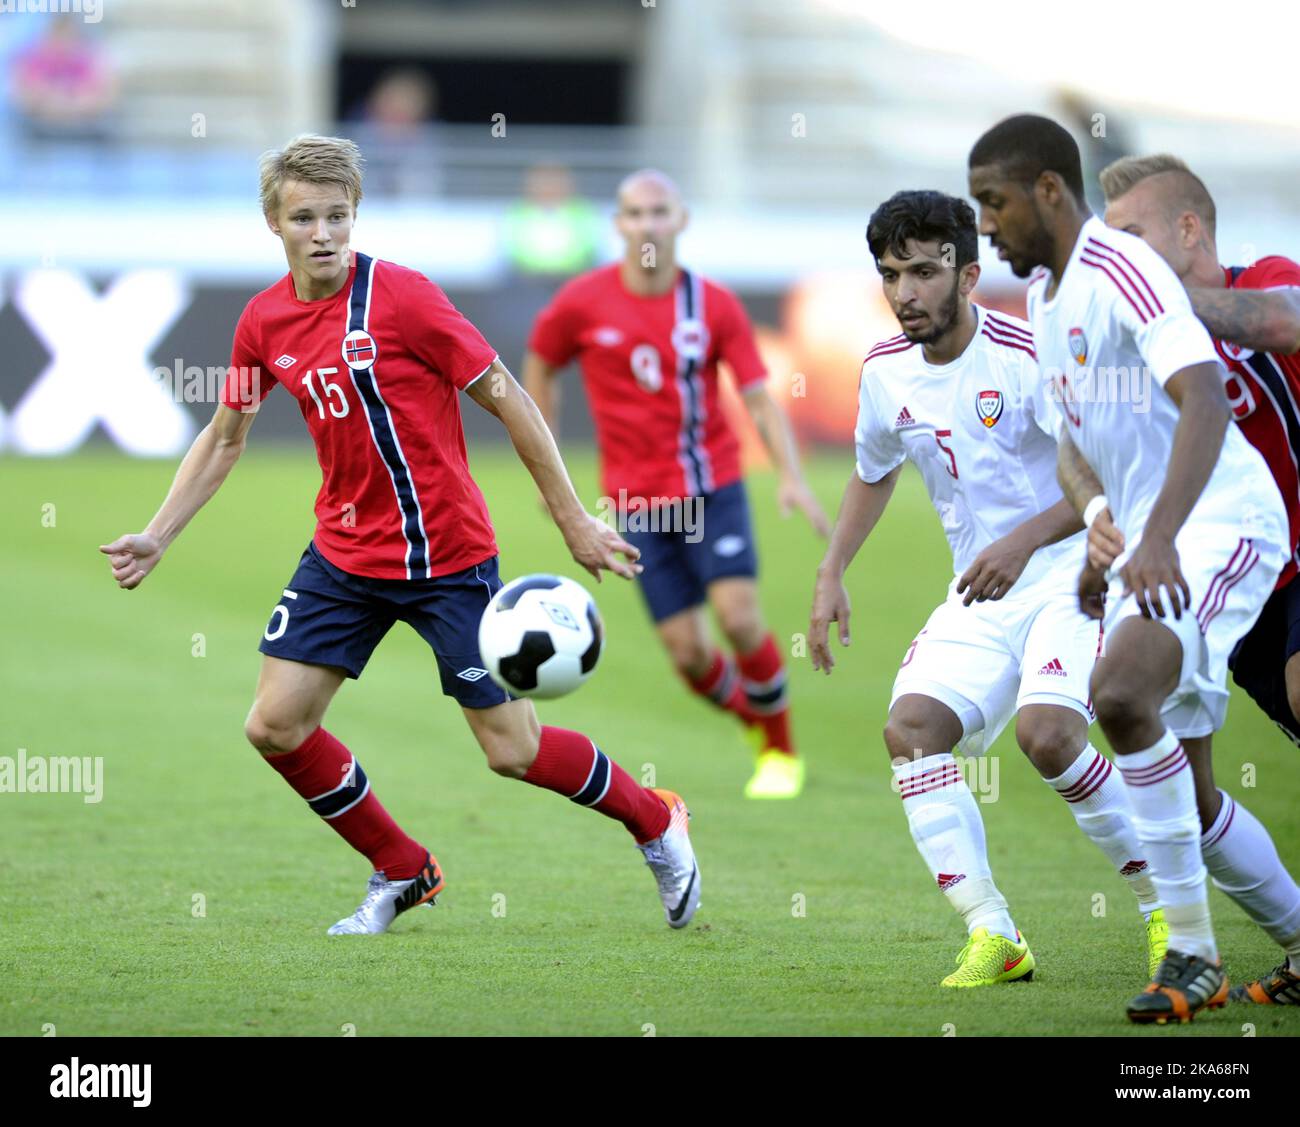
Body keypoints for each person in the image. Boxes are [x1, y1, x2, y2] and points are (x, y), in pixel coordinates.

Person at [99, 135, 700, 936]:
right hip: (343, 558)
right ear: (273, 224)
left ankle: (654, 817)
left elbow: (509, 397)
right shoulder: (263, 319)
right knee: (274, 725)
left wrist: (573, 519)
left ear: (356, 216)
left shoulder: (405, 298)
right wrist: (159, 534)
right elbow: (226, 435)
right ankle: (402, 867)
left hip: (447, 558)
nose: (323, 232)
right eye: (304, 217)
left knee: (511, 750)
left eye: (337, 215)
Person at [968, 113, 1291, 1023]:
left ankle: (1191, 953)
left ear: (1047, 190)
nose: (986, 226)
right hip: (1149, 532)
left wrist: (1154, 540)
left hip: (1222, 518)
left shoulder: (1125, 268)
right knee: (1186, 784)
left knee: (1118, 693)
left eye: (993, 203)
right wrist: (1105, 521)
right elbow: (1074, 445)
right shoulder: (1040, 300)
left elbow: (1206, 402)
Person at [808, 189, 1165, 988]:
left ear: (969, 276)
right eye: (892, 274)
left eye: (926, 272)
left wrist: (1023, 539)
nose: (907, 293)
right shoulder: (884, 373)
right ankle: (994, 933)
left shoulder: (1028, 354)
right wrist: (832, 572)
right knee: (910, 730)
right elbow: (873, 471)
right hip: (982, 591)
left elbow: (1107, 470)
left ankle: (1166, 908)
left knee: (1048, 737)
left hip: (1074, 577)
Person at [523, 169, 829, 799]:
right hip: (637, 503)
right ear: (619, 225)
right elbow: (541, 368)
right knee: (688, 655)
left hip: (712, 487)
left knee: (739, 619)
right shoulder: (582, 301)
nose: (648, 225)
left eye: (659, 212)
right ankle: (753, 719)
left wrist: (792, 476)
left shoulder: (712, 303)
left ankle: (781, 752)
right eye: (635, 213)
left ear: (681, 220)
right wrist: (546, 457)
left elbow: (757, 396)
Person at [1096, 153, 1300, 1006]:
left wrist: (1160, 301)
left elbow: (1283, 324)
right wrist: (1095, 511)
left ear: (1189, 230)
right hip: (1218, 570)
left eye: (1133, 238)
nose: (1119, 263)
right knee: (1180, 770)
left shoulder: (1268, 278)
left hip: (1288, 558)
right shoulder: (1130, 340)